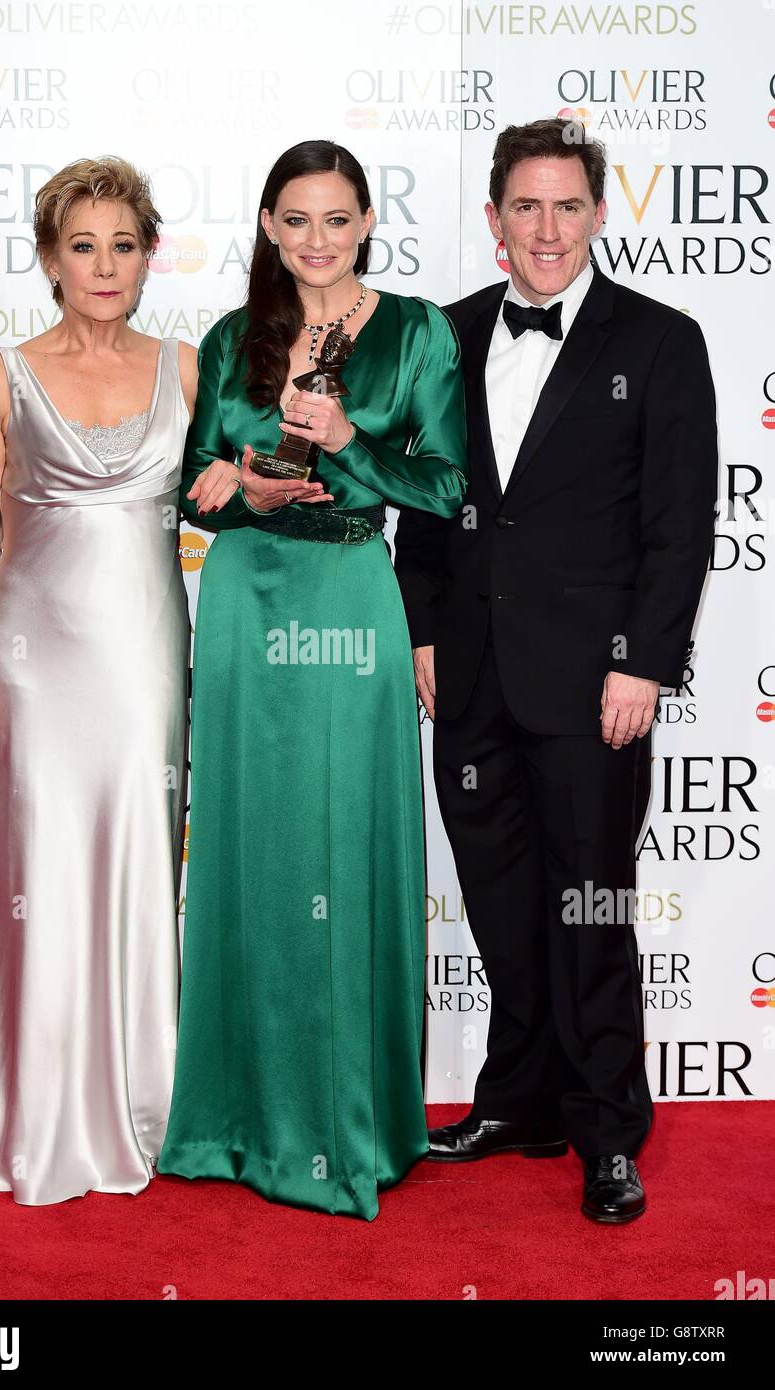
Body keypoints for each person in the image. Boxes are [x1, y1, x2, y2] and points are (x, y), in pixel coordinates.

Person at [395, 118, 718, 1224]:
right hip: (472, 680)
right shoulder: (445, 334)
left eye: (566, 205)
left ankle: (606, 1129)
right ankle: (519, 1101)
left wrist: (641, 663)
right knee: (500, 904)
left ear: (596, 210)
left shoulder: (660, 341)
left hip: (593, 689)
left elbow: (679, 528)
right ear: (493, 220)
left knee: (588, 906)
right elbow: (426, 508)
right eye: (524, 207)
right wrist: (425, 631)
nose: (545, 228)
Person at [157, 139, 468, 1221]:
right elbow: (192, 496)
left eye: (337, 219)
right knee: (250, 841)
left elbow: (445, 486)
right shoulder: (234, 337)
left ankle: (351, 1124)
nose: (317, 241)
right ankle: (233, 1120)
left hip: (347, 595)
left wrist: (346, 442)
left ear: (370, 220)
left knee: (342, 839)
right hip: (246, 601)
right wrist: (232, 486)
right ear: (267, 226)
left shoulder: (418, 331)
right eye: (295, 220)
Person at [0, 157, 196, 1204]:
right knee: (40, 870)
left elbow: (234, 498)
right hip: (33, 655)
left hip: (148, 654)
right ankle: (29, 1113)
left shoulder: (187, 368)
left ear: (150, 253)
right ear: (48, 258)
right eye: (83, 245)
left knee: (138, 853)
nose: (104, 265)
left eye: (124, 243)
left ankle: (142, 1103)